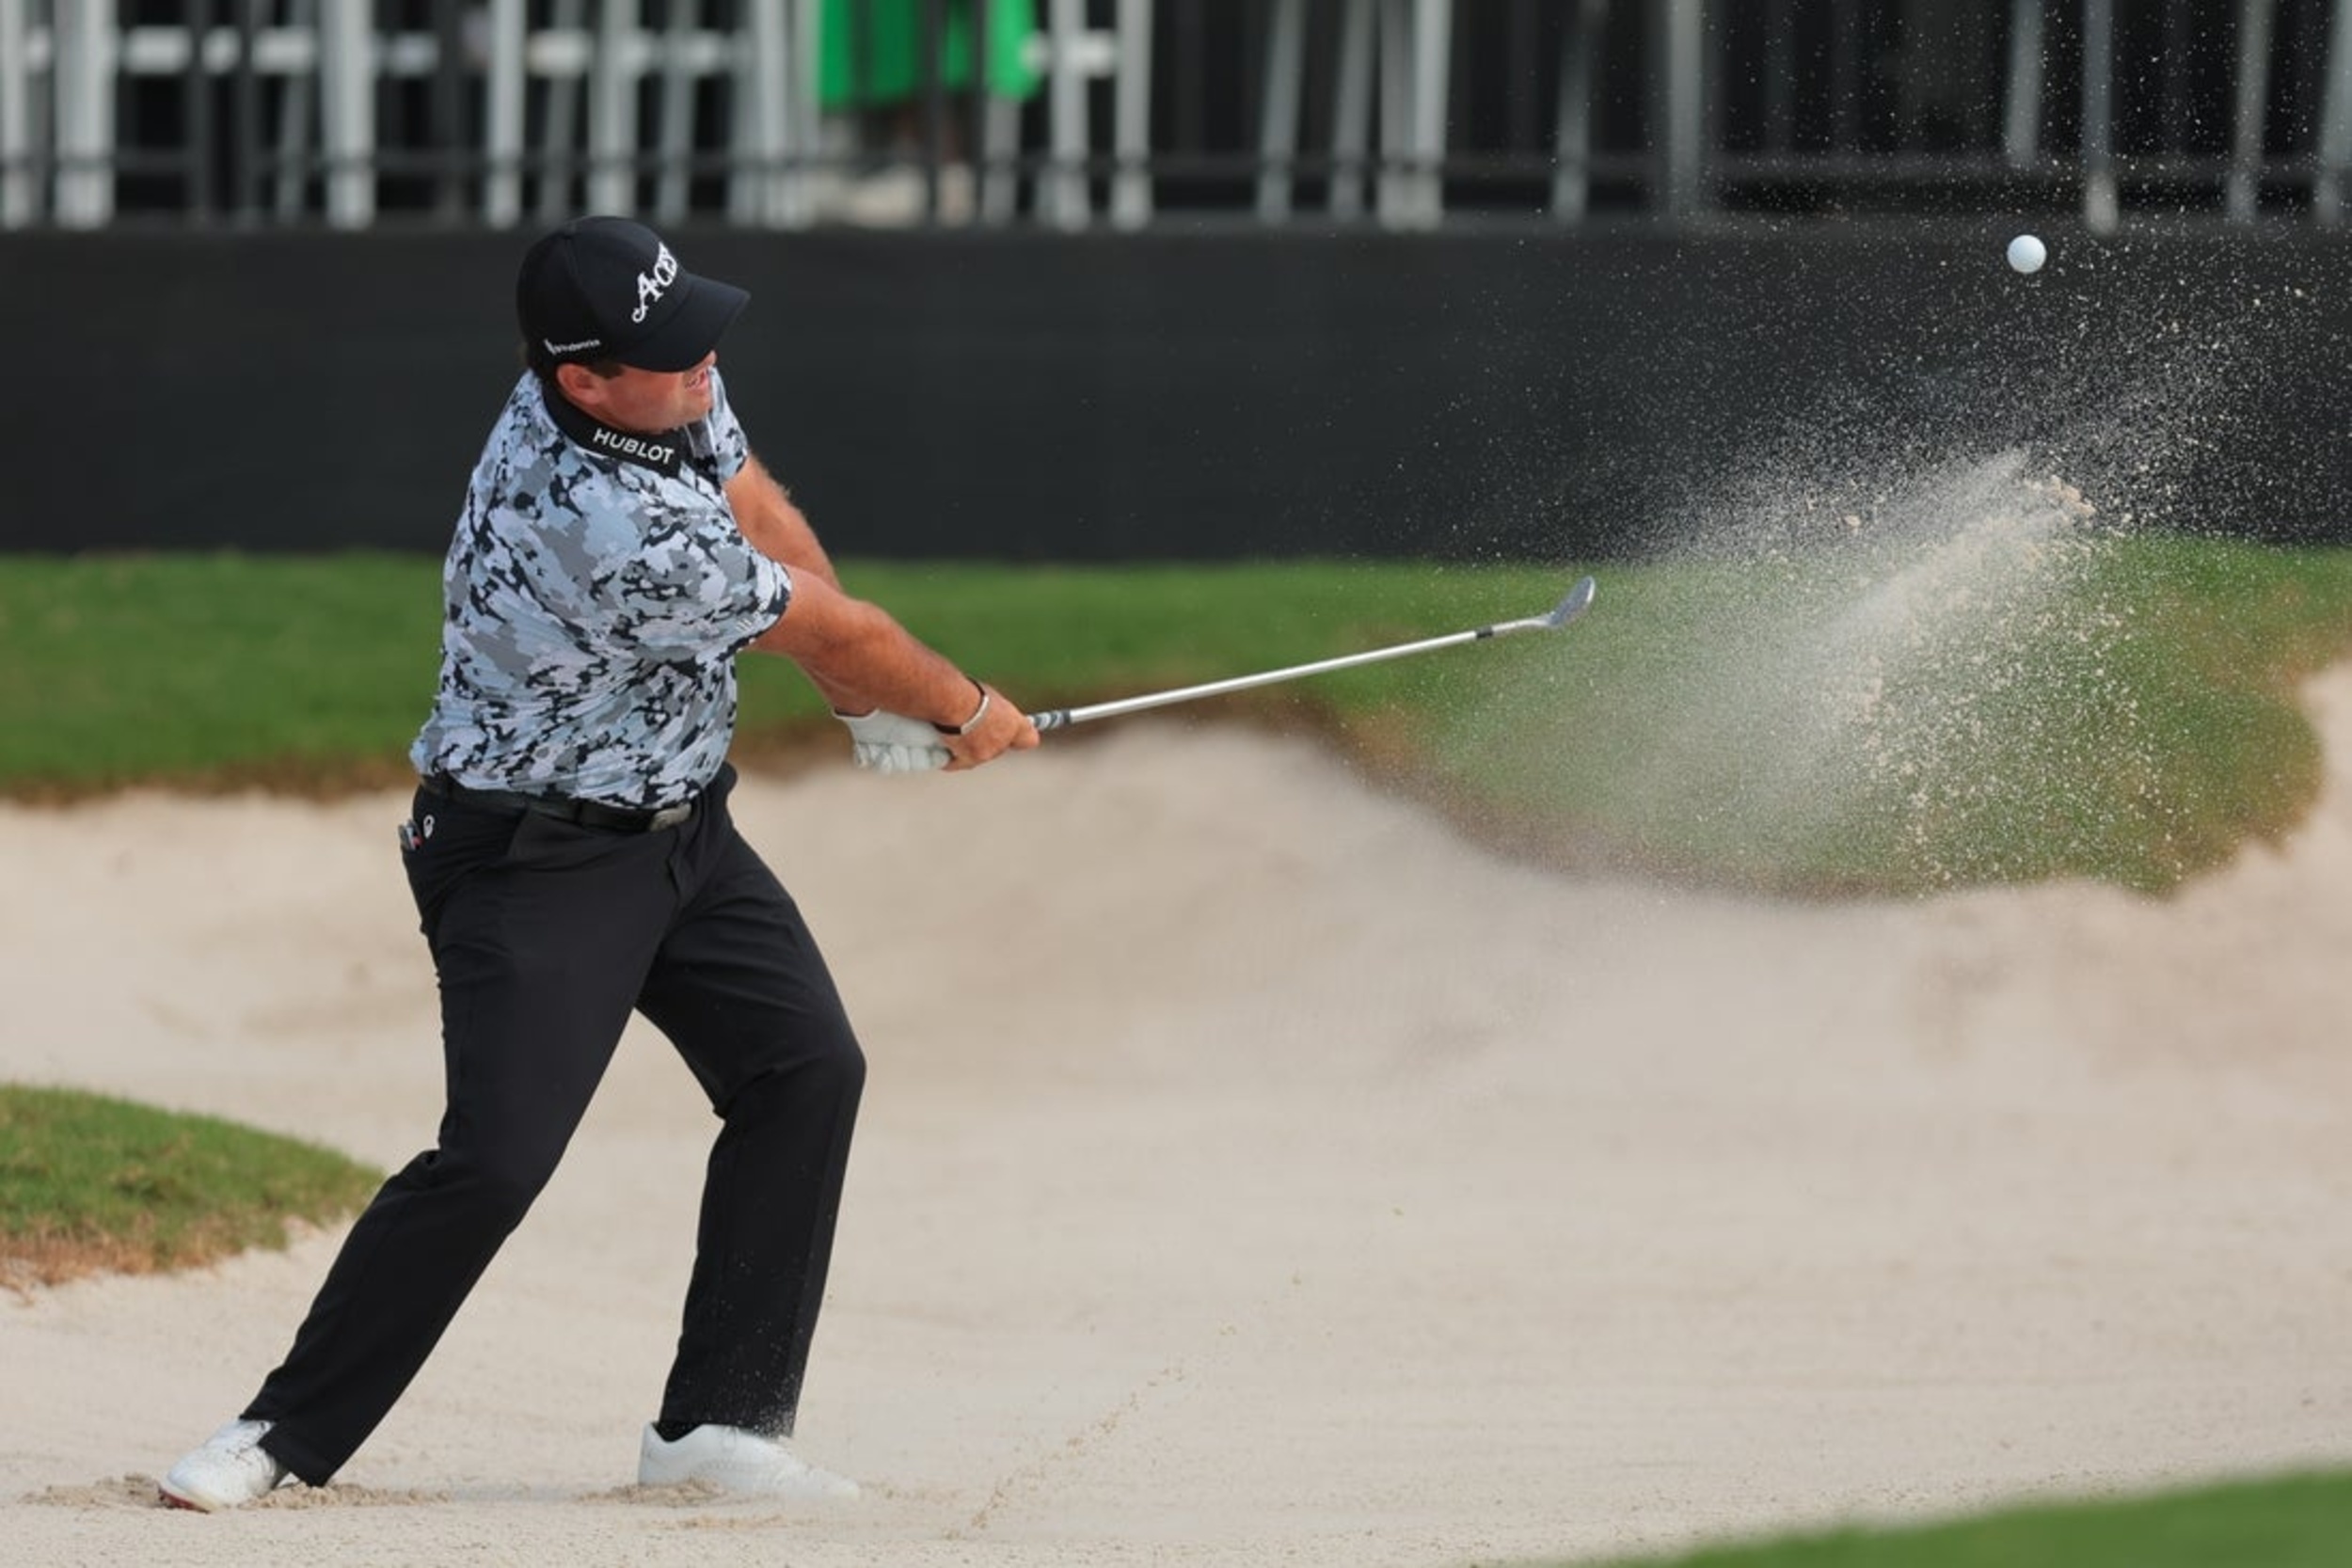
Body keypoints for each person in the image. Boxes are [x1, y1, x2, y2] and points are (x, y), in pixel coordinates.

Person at [159, 214, 1037, 1511]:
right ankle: (279, 1432)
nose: (705, 363)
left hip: (687, 831)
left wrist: (863, 703)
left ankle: (717, 1427)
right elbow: (831, 625)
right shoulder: (602, 524)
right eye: (673, 353)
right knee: (496, 1163)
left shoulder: (648, 383)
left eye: (699, 337)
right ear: (579, 381)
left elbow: (755, 500)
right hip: (532, 858)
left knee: (806, 1069)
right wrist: (963, 711)